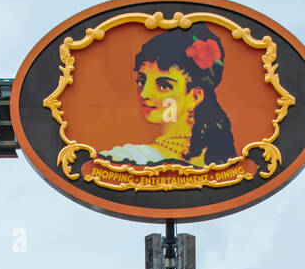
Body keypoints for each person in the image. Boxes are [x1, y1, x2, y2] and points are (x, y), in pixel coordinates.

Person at [100, 23, 237, 168]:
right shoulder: (217, 156)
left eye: (164, 86)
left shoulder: (127, 159)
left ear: (195, 97)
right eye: (141, 81)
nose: (145, 93)